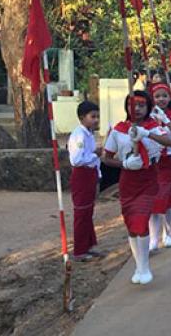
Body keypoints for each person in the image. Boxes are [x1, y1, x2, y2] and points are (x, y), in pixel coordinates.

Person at [101, 91, 171, 285]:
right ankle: (138, 265)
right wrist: (124, 164)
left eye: (142, 105)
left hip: (148, 179)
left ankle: (145, 267)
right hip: (127, 181)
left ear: (148, 107)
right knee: (131, 225)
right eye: (133, 105)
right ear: (126, 107)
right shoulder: (118, 129)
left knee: (141, 220)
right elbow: (106, 157)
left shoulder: (153, 126)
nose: (137, 109)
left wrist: (147, 134)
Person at [148, 83, 171, 251]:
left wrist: (167, 120)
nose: (161, 99)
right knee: (154, 202)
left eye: (164, 96)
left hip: (170, 162)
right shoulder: (147, 117)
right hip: (153, 163)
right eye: (157, 96)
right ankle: (153, 239)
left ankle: (167, 234)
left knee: (167, 200)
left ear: (170, 97)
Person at [68, 101, 103, 261]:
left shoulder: (89, 134)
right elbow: (76, 160)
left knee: (88, 212)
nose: (96, 120)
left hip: (90, 175)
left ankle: (88, 245)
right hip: (81, 176)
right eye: (92, 117)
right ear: (82, 118)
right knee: (82, 213)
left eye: (97, 116)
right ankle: (79, 250)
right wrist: (95, 154)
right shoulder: (79, 135)